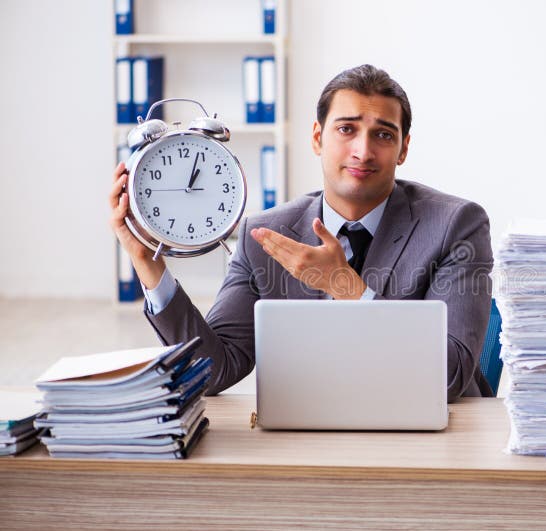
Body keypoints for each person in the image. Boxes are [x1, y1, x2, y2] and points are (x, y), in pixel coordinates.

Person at [109, 64, 493, 401]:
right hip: (312, 435)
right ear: (317, 138)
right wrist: (147, 262)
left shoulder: (456, 225)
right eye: (346, 129)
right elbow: (214, 370)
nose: (363, 150)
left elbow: (452, 374)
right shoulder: (265, 236)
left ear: (403, 149)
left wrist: (348, 289)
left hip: (432, 438)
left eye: (383, 135)